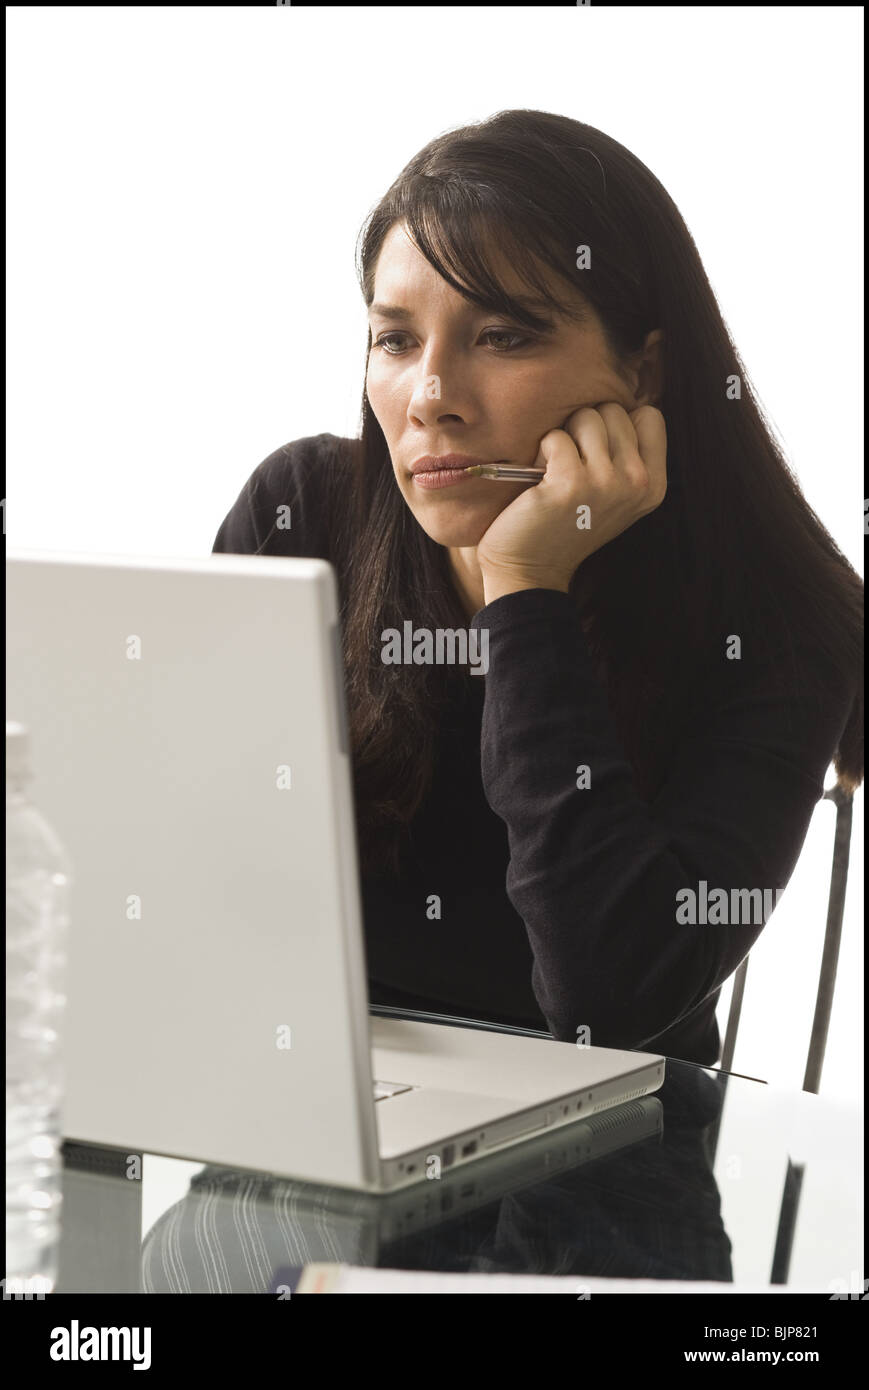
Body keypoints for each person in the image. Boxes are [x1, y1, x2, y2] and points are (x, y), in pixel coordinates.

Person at [213, 110, 863, 1066]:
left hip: (614, 1151)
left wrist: (525, 587)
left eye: (502, 336)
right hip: (316, 1097)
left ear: (642, 369)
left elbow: (610, 1000)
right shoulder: (301, 514)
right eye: (395, 341)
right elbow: (187, 873)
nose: (430, 394)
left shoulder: (781, 626)